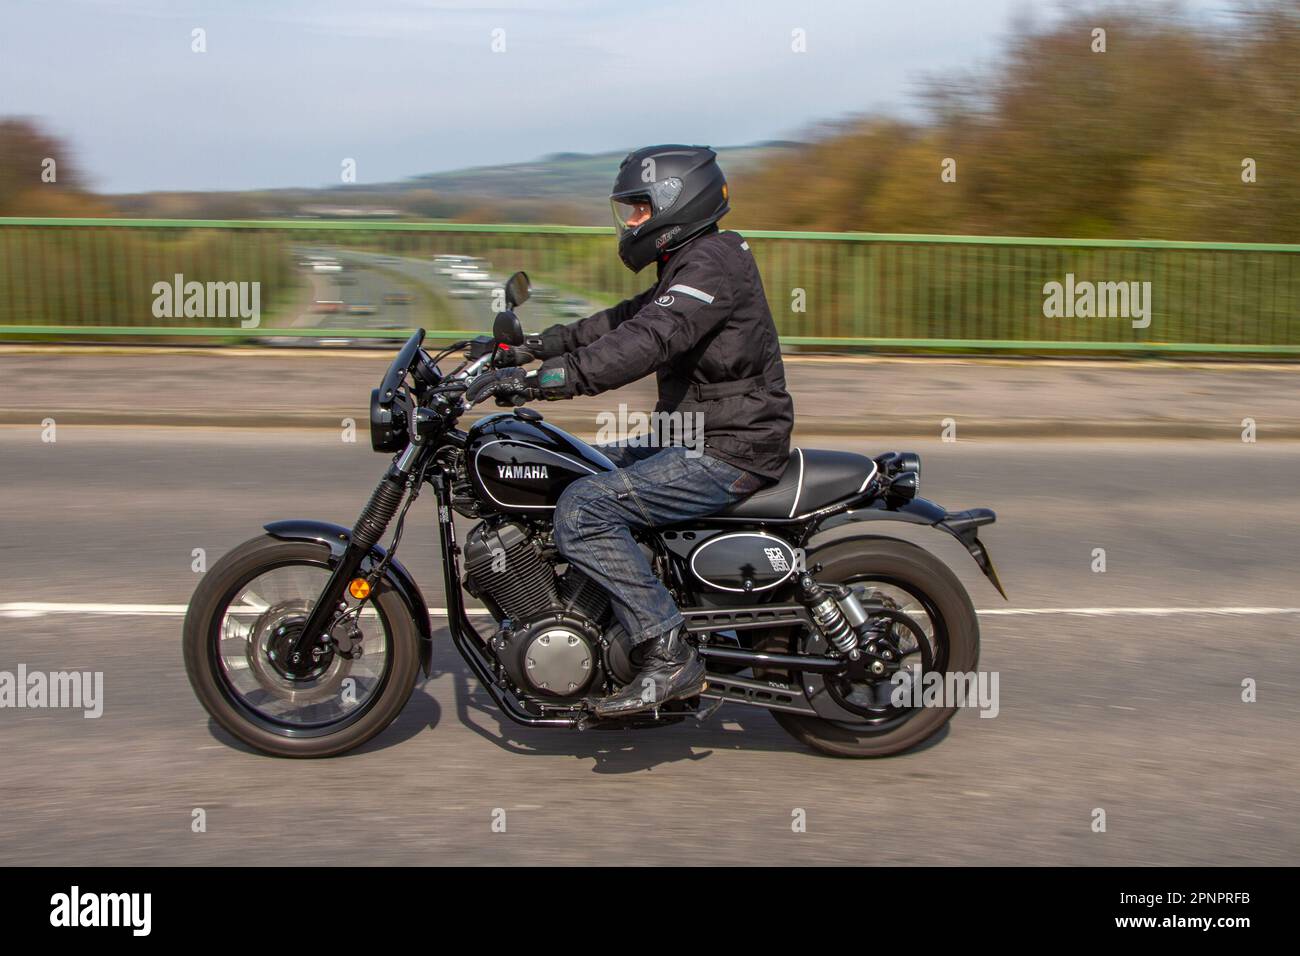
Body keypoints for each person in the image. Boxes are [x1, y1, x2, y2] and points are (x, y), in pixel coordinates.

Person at [467, 144, 794, 717]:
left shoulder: (710, 266)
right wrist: (533, 348)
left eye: (640, 209)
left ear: (675, 201)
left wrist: (546, 381)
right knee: (582, 465)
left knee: (585, 508)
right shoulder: (699, 257)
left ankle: (669, 655)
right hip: (697, 433)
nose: (632, 222)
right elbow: (622, 321)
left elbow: (647, 342)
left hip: (729, 447)